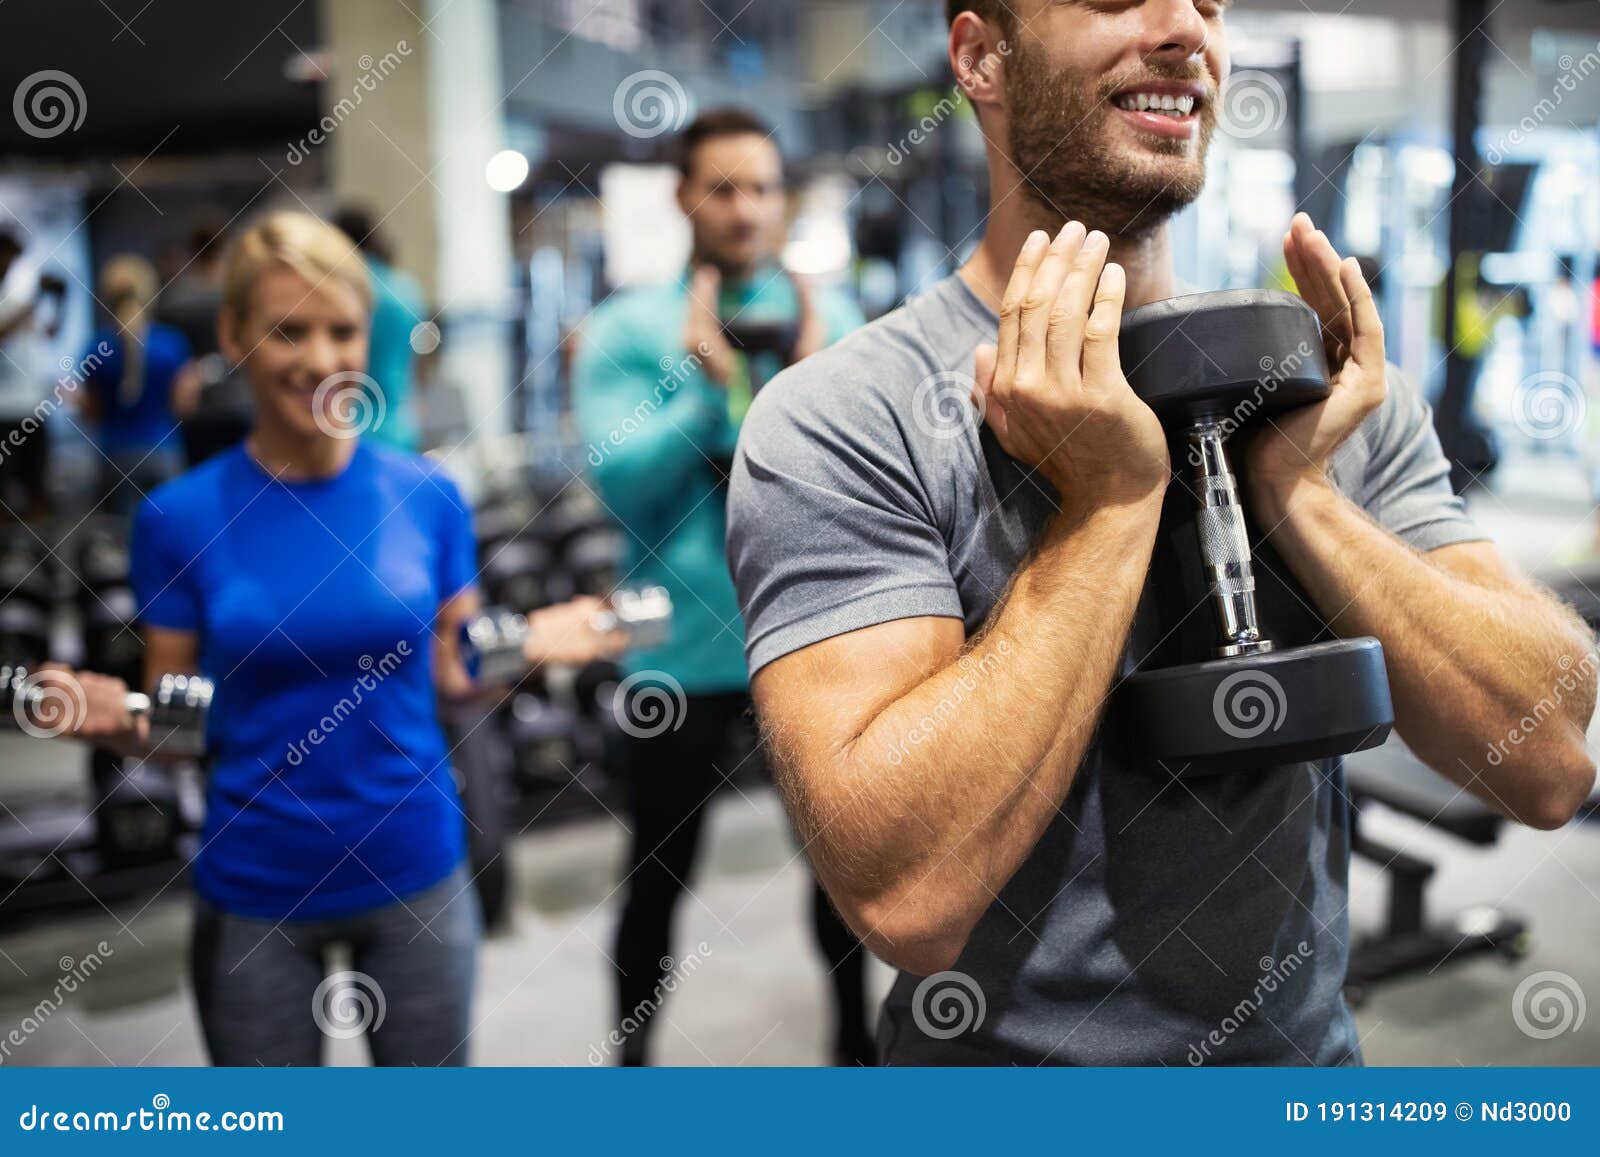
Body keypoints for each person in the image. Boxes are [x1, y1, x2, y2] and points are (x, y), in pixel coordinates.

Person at [726, 1, 1597, 1067]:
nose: (1185, 27)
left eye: (1208, 2)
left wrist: (1299, 492)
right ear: (978, 55)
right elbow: (906, 895)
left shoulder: (1322, 387)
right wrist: (1110, 504)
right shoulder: (846, 420)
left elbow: (1548, 759)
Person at [60, 211, 619, 1066]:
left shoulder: (427, 495)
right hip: (255, 890)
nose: (320, 360)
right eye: (288, 331)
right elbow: (180, 732)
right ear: (235, 337)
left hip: (416, 873)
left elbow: (457, 673)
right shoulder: (178, 518)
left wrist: (532, 644)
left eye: (340, 330)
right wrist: (113, 716)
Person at [573, 107, 874, 1066]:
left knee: (845, 876)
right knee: (657, 876)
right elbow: (618, 483)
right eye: (724, 188)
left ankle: (860, 1059)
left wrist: (814, 376)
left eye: (762, 188)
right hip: (680, 650)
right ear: (684, 196)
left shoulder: (835, 320)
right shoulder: (628, 330)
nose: (746, 210)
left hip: (807, 639)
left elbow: (877, 482)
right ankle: (632, 1067)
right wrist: (704, 384)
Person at [76, 255, 189, 516]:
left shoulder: (96, 348)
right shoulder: (172, 344)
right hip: (164, 453)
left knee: (120, 541)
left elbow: (93, 414)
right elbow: (182, 406)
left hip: (114, 458)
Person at [333, 207, 428, 453]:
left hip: (352, 424)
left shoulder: (342, 290)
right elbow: (419, 361)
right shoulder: (407, 288)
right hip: (400, 423)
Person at [0, 228, 67, 522]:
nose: (10, 264)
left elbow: (50, 333)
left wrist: (63, 302)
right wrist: (37, 298)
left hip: (32, 407)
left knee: (37, 489)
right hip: (2, 411)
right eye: (8, 256)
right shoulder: (21, 303)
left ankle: (36, 559)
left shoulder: (16, 299)